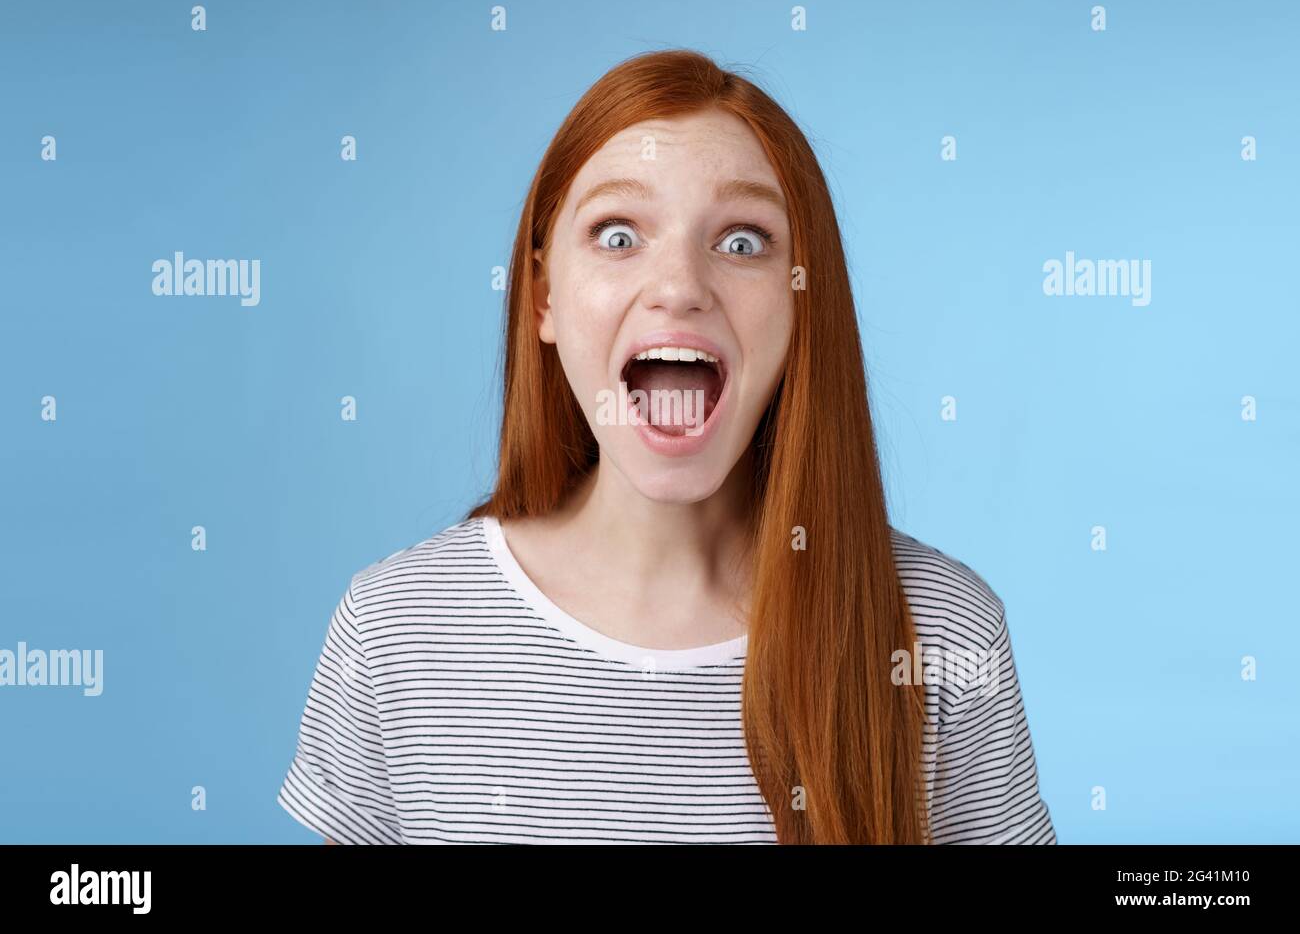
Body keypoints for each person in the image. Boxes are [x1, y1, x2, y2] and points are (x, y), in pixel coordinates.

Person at [277, 49, 1056, 845]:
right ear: (544, 296)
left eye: (744, 241)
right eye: (618, 235)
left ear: (802, 301)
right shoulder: (395, 630)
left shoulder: (942, 634)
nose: (680, 284)